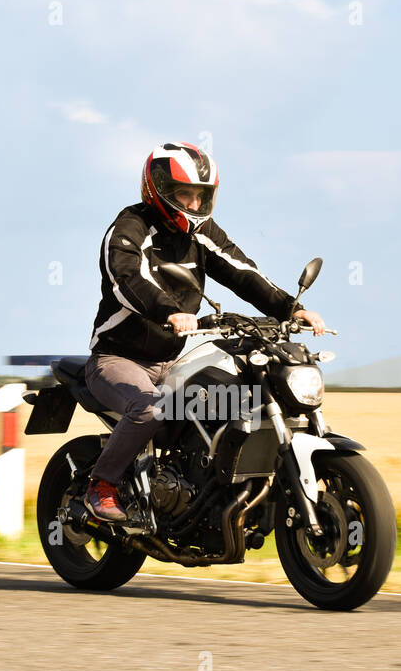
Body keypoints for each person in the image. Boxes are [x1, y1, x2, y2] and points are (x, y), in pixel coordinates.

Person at [84, 141, 326, 521]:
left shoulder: (202, 232)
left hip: (177, 355)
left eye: (201, 196)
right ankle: (102, 485)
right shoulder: (129, 229)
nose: (194, 205)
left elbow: (241, 271)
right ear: (159, 190)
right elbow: (128, 280)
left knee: (238, 396)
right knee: (150, 409)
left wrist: (291, 309)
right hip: (119, 358)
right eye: (185, 194)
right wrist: (170, 311)